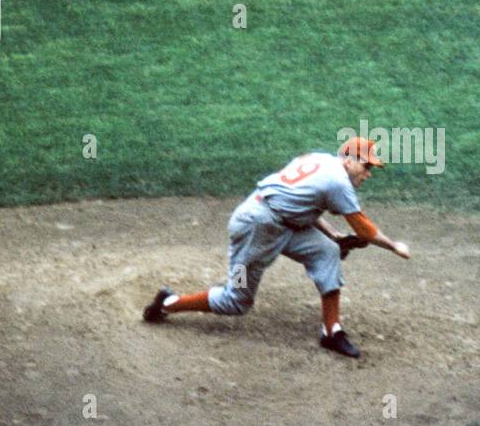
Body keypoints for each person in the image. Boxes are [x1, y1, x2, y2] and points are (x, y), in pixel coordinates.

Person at [143, 136, 410, 358]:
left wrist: (333, 235)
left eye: (371, 168)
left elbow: (299, 204)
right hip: (253, 228)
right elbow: (364, 229)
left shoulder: (318, 159)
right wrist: (393, 245)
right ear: (348, 161)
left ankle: (331, 331)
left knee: (327, 251)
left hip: (284, 224)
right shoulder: (338, 182)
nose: (368, 173)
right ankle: (167, 302)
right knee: (235, 299)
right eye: (366, 166)